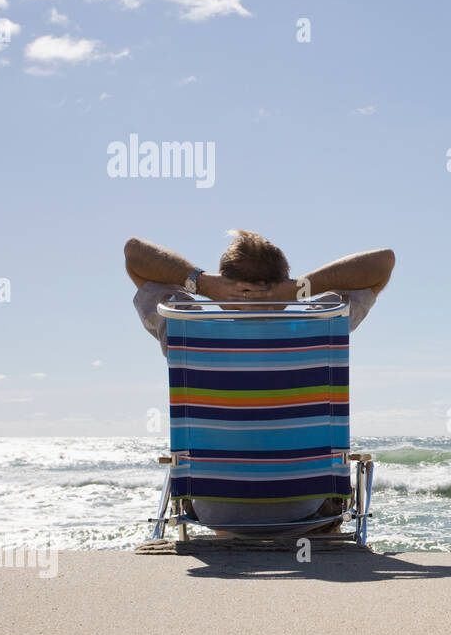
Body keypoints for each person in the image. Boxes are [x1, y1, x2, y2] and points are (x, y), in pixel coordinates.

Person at [125, 229, 394, 535]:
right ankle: (317, 537)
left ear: (222, 286)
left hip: (215, 511)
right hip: (306, 510)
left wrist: (203, 283)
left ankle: (234, 532)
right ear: (282, 282)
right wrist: (298, 289)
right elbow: (383, 263)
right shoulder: (323, 323)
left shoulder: (185, 326)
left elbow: (134, 254)